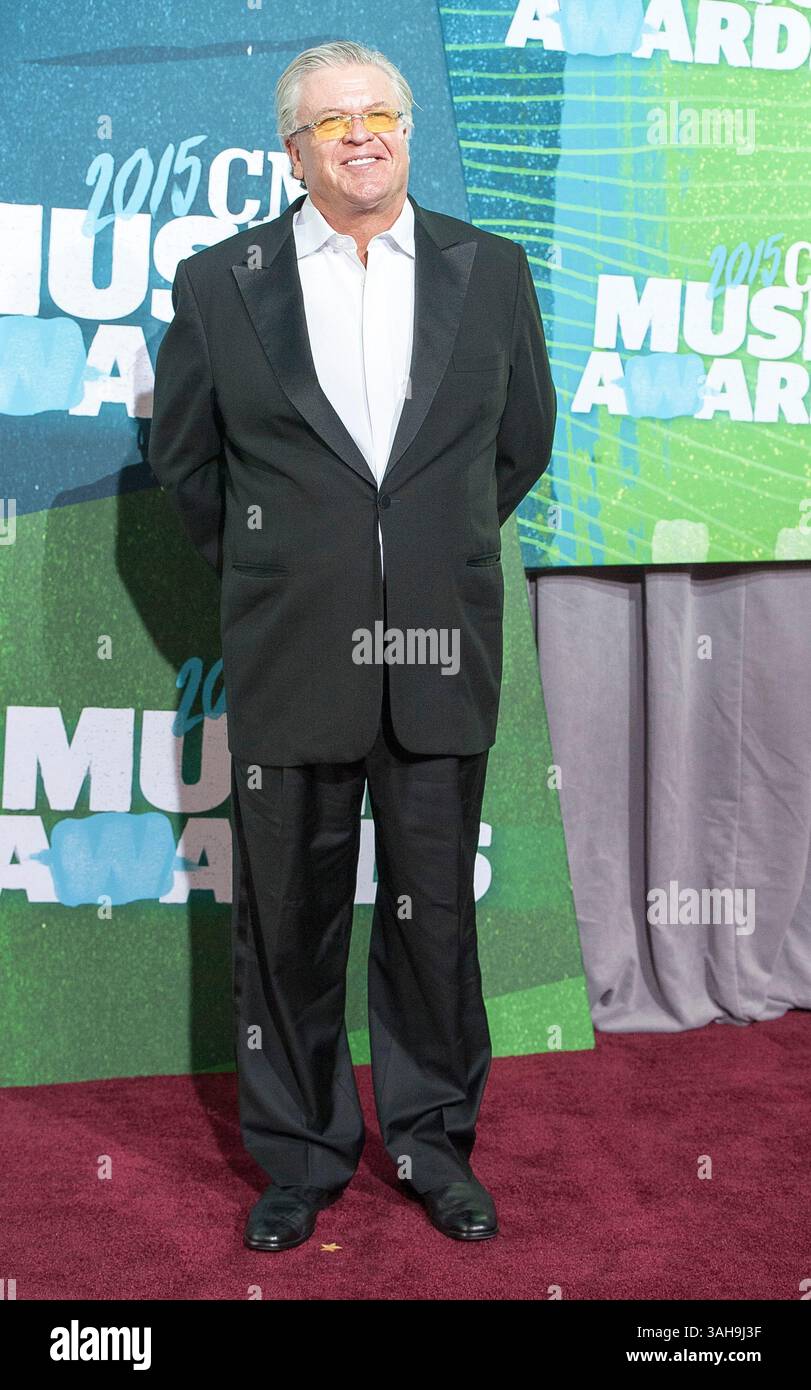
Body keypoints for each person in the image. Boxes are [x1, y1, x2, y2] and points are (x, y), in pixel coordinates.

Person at [149, 39, 556, 1251]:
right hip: (293, 657)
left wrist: (420, 554)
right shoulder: (223, 281)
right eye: (333, 122)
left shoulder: (492, 271)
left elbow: (517, 443)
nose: (361, 135)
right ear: (295, 149)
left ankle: (434, 1141)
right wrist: (298, 575)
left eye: (380, 113)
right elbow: (189, 466)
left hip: (438, 652)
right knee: (288, 921)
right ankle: (302, 1153)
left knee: (436, 921)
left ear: (410, 133)